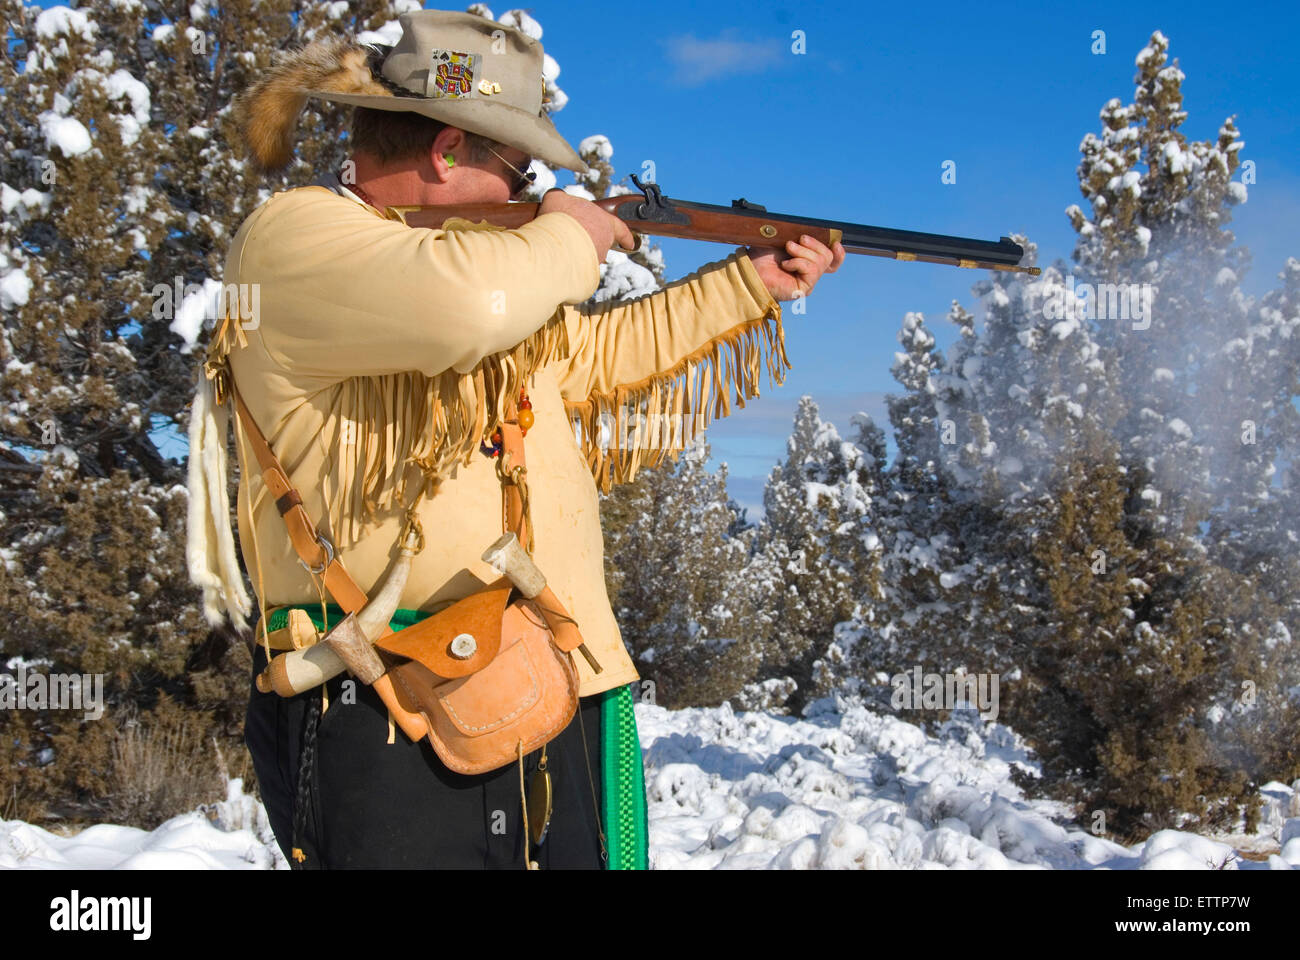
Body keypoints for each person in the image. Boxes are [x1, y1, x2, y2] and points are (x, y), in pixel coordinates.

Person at [186, 9, 843, 870]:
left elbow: (589, 358)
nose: (529, 189)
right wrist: (577, 230)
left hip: (531, 676)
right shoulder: (297, 238)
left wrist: (747, 282)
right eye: (517, 166)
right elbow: (472, 304)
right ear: (449, 150)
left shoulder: (460, 264)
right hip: (389, 700)